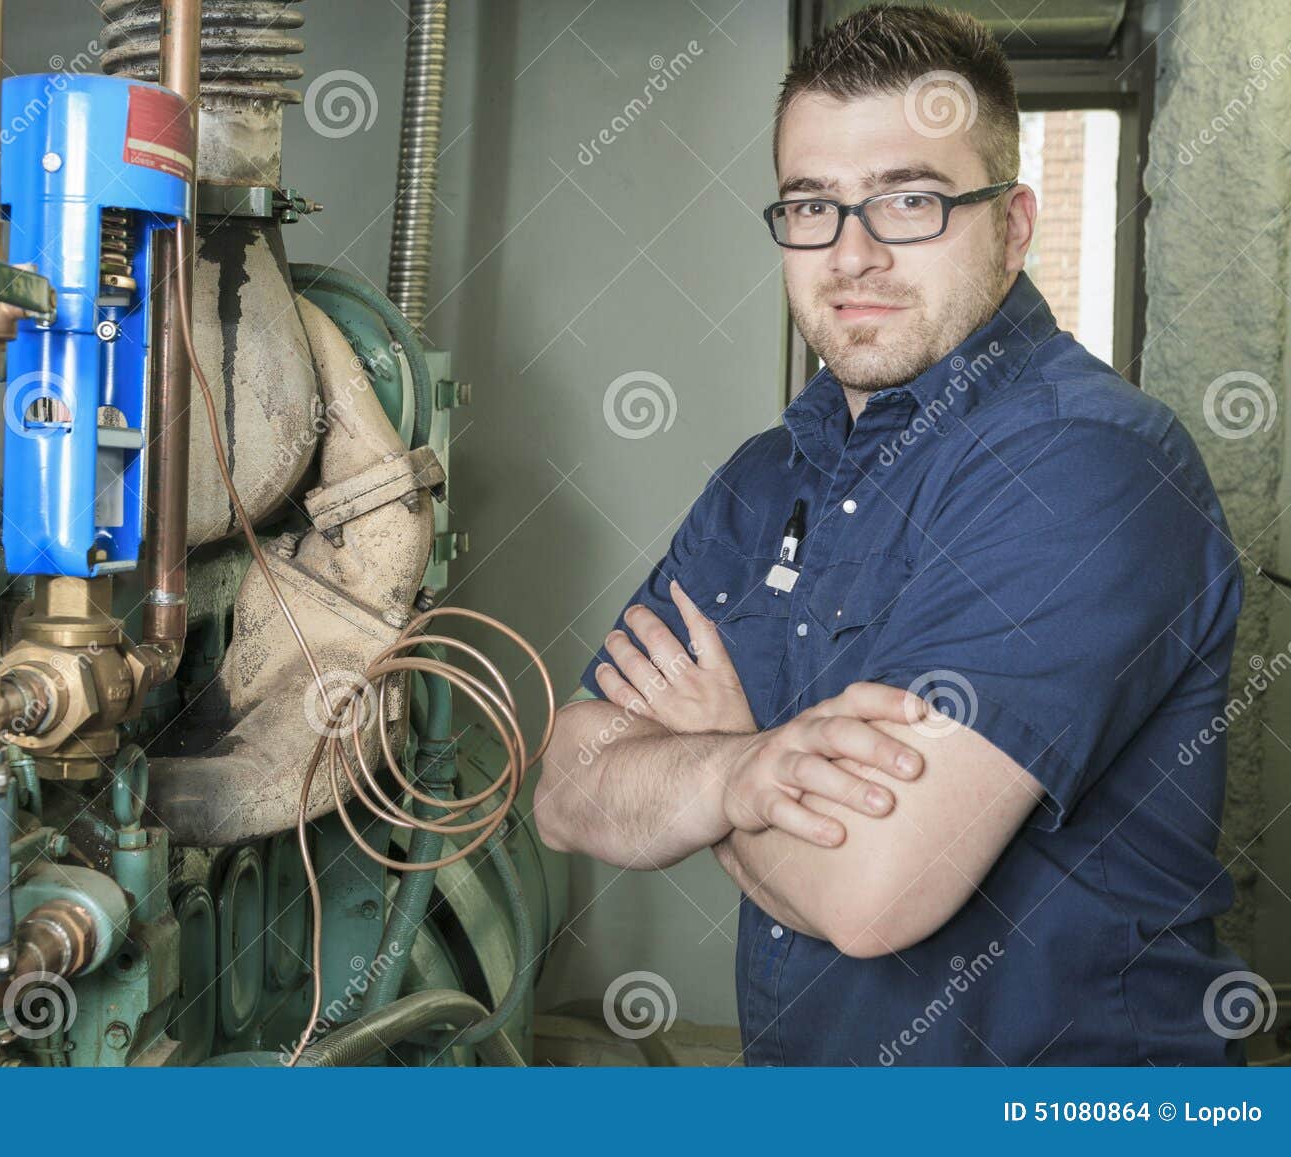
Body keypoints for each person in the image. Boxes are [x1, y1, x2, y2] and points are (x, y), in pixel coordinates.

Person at [533, 4, 1247, 1065]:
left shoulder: (1092, 465)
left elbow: (874, 889)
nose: (851, 253)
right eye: (812, 205)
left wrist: (702, 765)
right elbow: (566, 785)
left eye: (909, 200)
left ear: (1012, 226)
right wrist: (746, 773)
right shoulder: (764, 478)